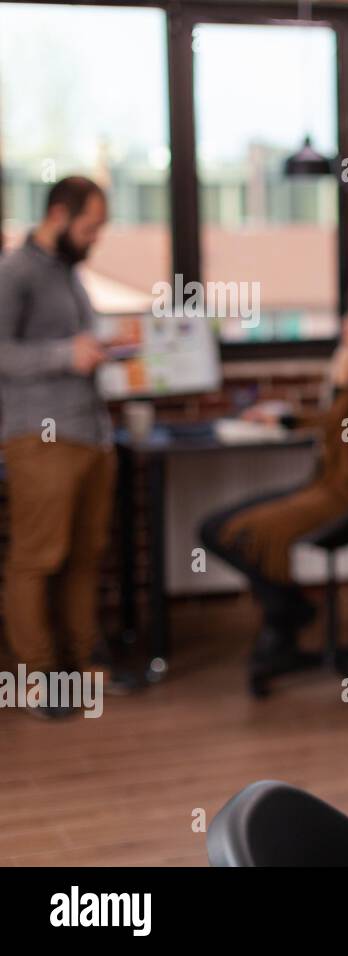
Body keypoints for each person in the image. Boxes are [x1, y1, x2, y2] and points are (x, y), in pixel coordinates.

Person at [199, 289, 348, 689]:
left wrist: (342, 386)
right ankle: (288, 610)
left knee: (249, 532)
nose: (346, 329)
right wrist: (284, 421)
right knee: (215, 527)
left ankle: (285, 617)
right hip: (322, 487)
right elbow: (336, 424)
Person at [0, 176, 134, 717]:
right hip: (40, 437)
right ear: (58, 214)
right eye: (90, 226)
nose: (95, 237)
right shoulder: (15, 273)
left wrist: (103, 348)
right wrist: (65, 355)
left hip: (90, 434)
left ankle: (84, 665)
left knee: (84, 556)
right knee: (38, 558)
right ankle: (36, 681)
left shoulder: (69, 276)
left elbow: (72, 346)